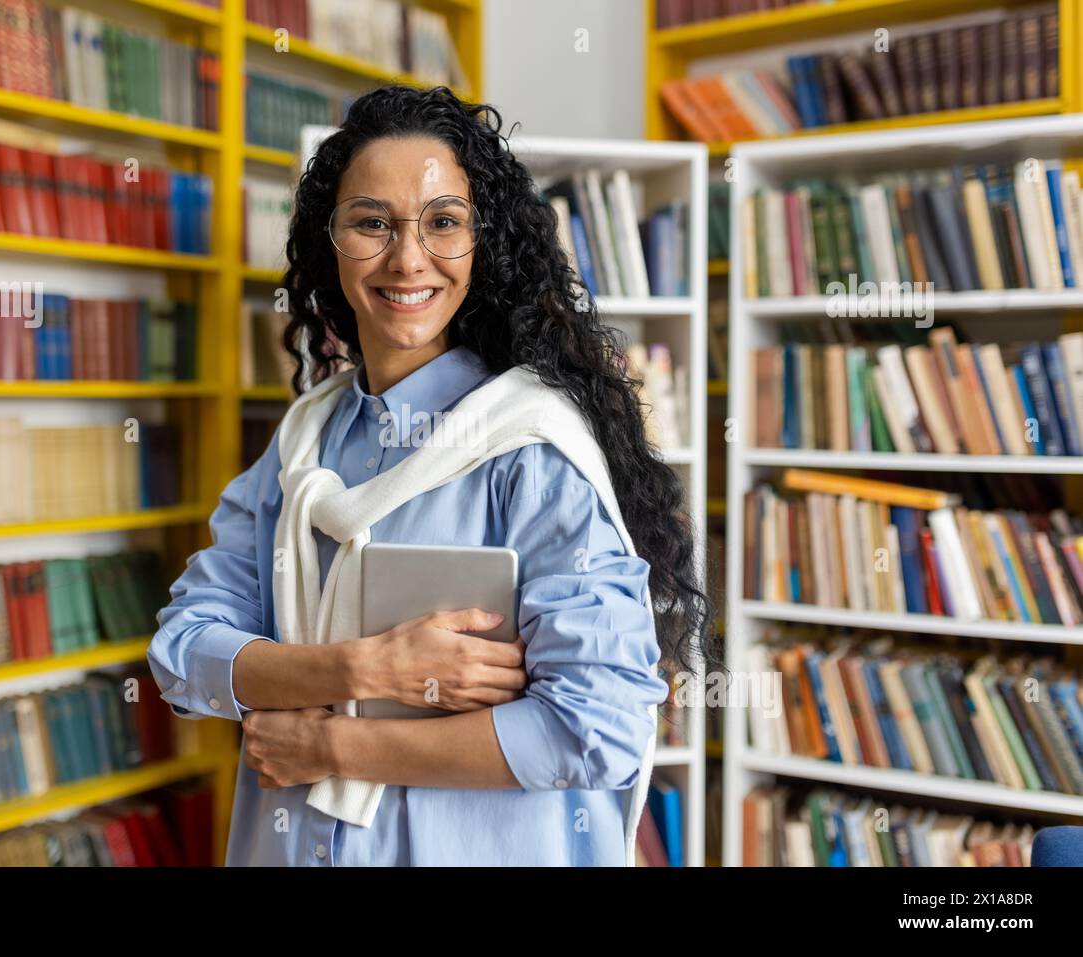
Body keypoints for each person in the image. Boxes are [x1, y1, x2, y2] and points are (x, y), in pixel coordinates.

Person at [147, 84, 714, 866]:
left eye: (443, 222)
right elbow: (182, 652)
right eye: (371, 222)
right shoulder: (301, 444)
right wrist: (363, 667)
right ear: (330, 241)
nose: (407, 258)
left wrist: (336, 744)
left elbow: (598, 726)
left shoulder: (532, 452)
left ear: (484, 244)